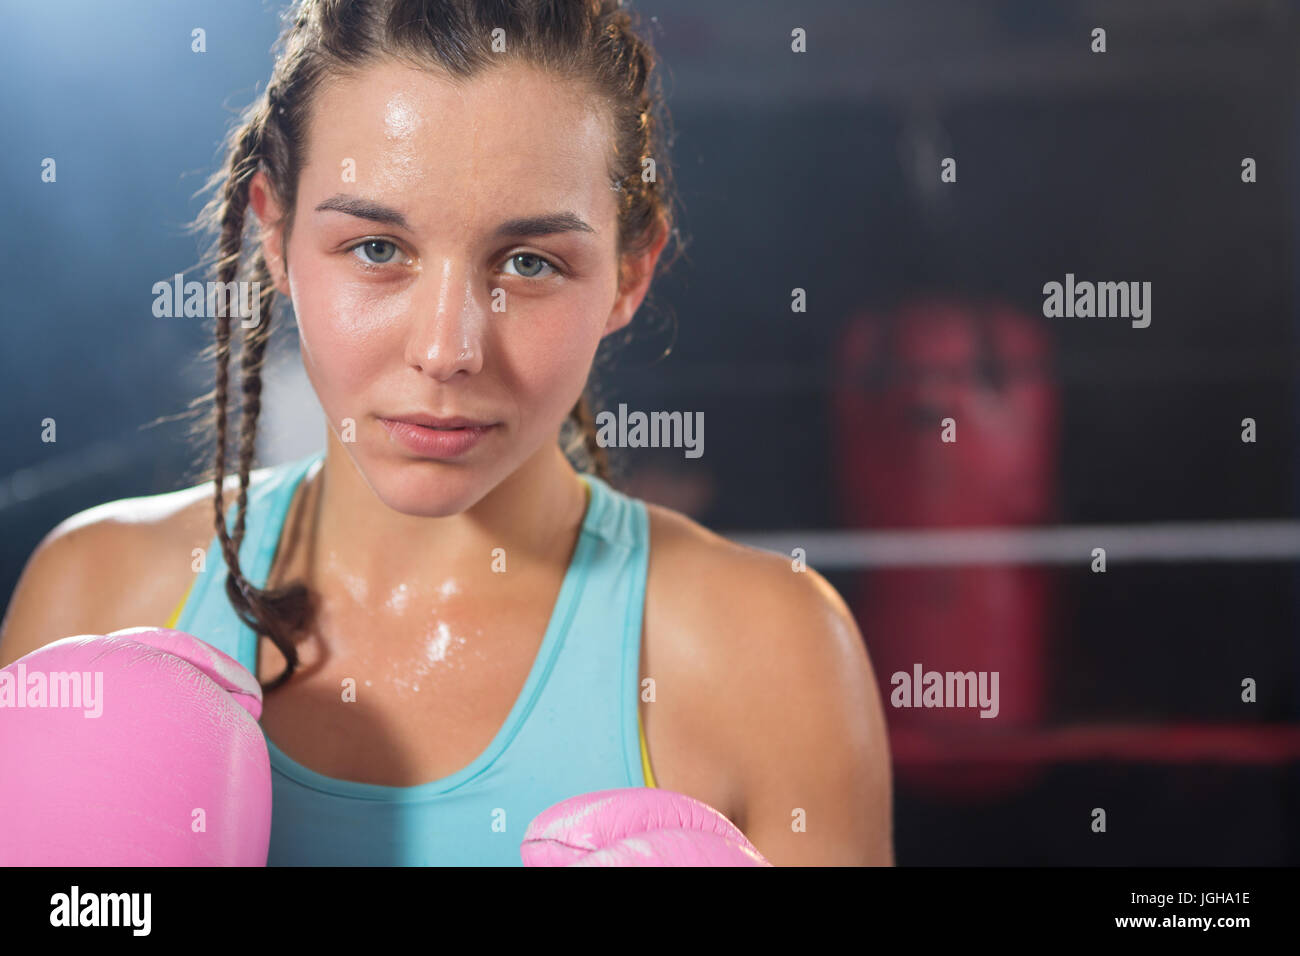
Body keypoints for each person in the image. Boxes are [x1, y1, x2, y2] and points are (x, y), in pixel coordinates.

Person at [0, 0, 892, 866]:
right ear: (274, 238)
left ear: (629, 273)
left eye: (530, 263)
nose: (446, 349)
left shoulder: (772, 659)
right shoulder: (95, 595)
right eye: (377, 249)